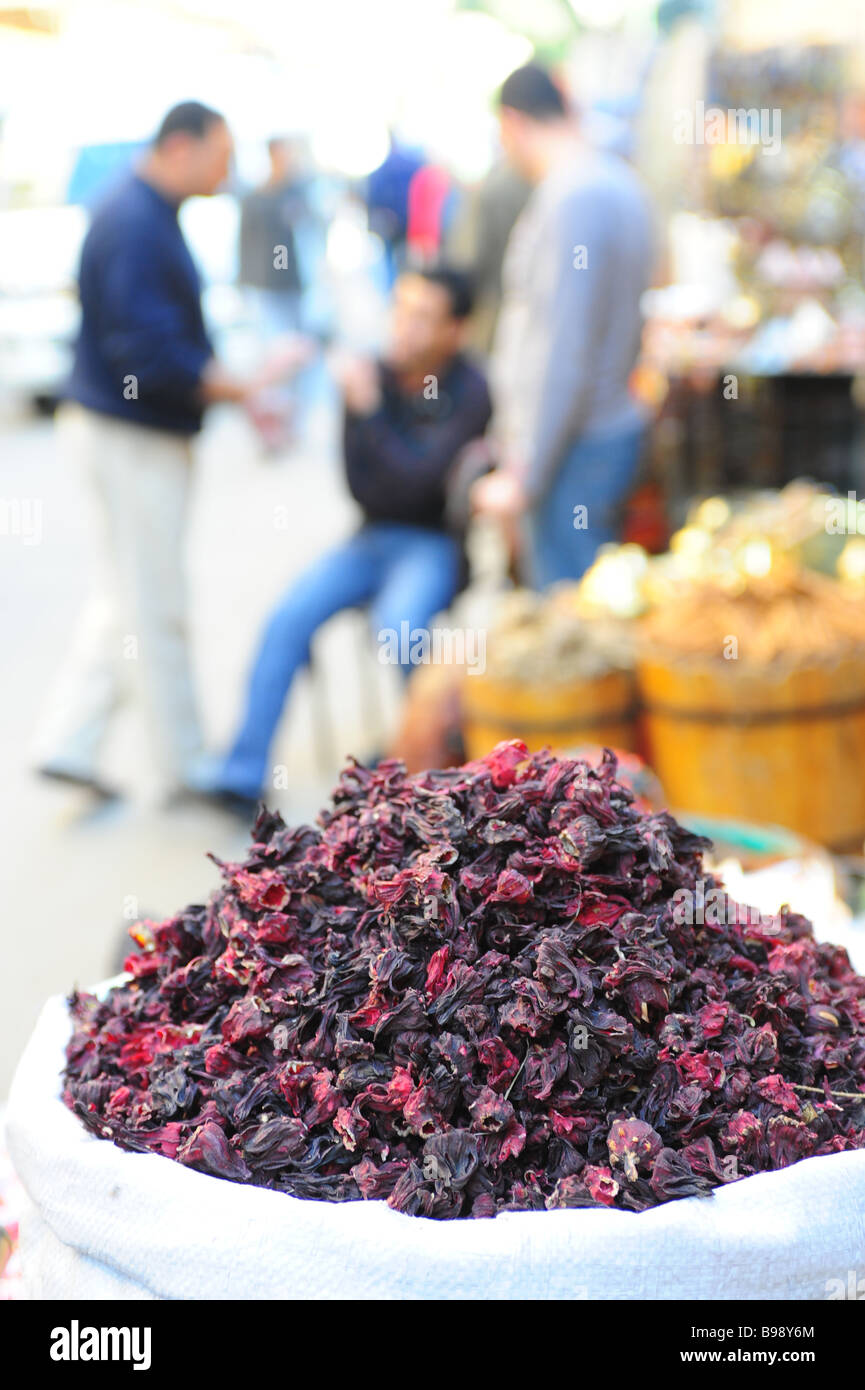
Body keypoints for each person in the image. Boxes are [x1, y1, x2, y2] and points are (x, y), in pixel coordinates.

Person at [33, 102, 293, 802]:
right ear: (181, 146)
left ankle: (70, 740)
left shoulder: (140, 209)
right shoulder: (133, 220)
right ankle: (185, 765)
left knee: (127, 592)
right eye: (220, 156)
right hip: (131, 435)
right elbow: (151, 357)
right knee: (157, 602)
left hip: (125, 429)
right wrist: (246, 390)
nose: (227, 172)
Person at [206, 266, 491, 811]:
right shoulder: (373, 374)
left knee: (400, 626)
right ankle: (241, 773)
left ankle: (437, 763)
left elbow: (419, 488)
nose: (405, 328)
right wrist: (366, 415)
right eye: (401, 311)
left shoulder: (470, 388)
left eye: (423, 318)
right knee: (287, 616)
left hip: (433, 544)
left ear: (456, 330)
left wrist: (370, 415)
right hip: (370, 537)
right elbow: (364, 488)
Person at [473, 63, 654, 586]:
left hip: (575, 443)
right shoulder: (614, 181)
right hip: (589, 432)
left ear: (512, 123)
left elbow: (562, 347)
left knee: (572, 618)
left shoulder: (575, 195)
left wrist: (526, 470)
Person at [238, 137, 309, 337]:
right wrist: (243, 280)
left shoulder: (295, 193)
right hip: (268, 282)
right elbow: (245, 242)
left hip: (292, 279)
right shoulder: (255, 198)